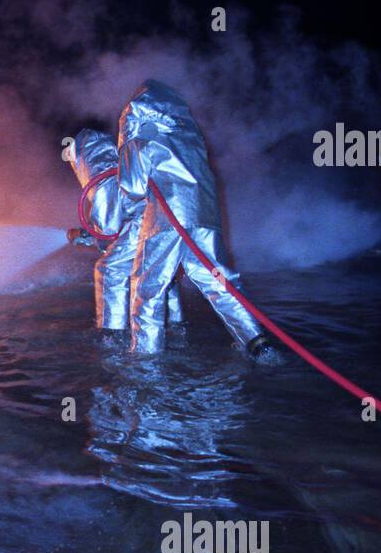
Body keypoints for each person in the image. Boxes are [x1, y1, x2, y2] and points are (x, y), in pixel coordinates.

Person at [116, 81, 271, 357]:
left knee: (148, 290)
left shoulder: (142, 137)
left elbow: (133, 188)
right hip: (205, 218)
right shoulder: (191, 136)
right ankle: (257, 343)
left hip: (166, 221)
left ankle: (145, 361)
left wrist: (125, 146)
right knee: (221, 283)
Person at [68, 127, 181, 332]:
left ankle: (113, 334)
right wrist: (87, 234)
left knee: (109, 268)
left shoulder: (99, 174)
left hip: (147, 221)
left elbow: (107, 228)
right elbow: (120, 214)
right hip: (168, 215)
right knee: (162, 271)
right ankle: (176, 322)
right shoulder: (116, 163)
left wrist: (90, 237)